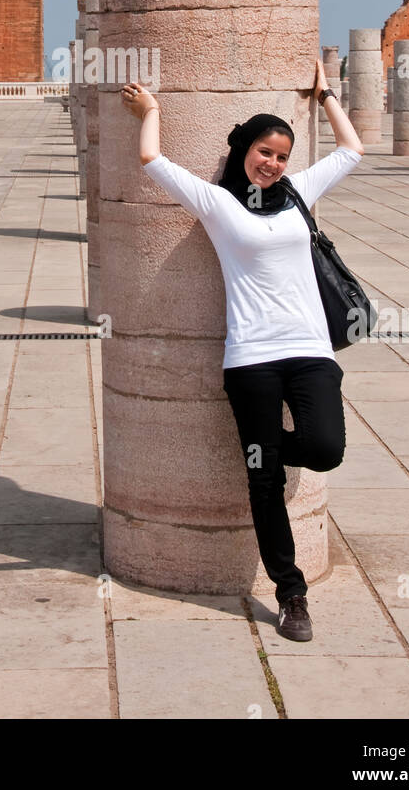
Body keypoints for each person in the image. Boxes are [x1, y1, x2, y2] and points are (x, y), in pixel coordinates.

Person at [121, 59, 363, 642]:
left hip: (309, 351)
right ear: (244, 149)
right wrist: (152, 112)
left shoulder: (298, 193)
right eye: (264, 151)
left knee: (325, 448)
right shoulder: (218, 203)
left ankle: (264, 451)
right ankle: (291, 594)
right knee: (263, 486)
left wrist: (326, 95)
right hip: (249, 360)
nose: (273, 163)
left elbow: (352, 151)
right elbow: (154, 162)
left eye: (282, 155)